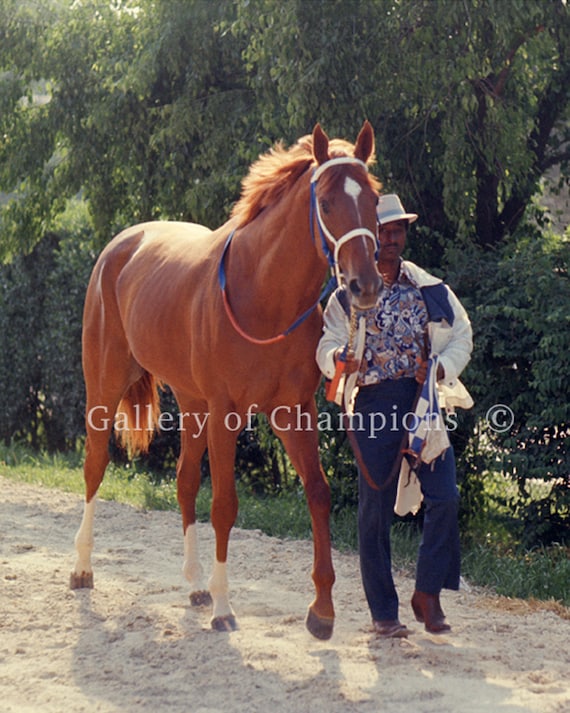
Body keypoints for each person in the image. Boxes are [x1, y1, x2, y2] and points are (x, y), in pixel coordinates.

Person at [316, 194, 473, 638]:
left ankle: (427, 594)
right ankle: (384, 612)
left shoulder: (429, 288)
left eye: (397, 230)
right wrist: (339, 359)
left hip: (423, 401)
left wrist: (438, 369)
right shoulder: (347, 293)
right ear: (371, 235)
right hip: (373, 404)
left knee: (445, 496)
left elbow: (462, 336)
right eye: (383, 231)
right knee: (375, 508)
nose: (390, 238)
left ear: (405, 234)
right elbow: (326, 343)